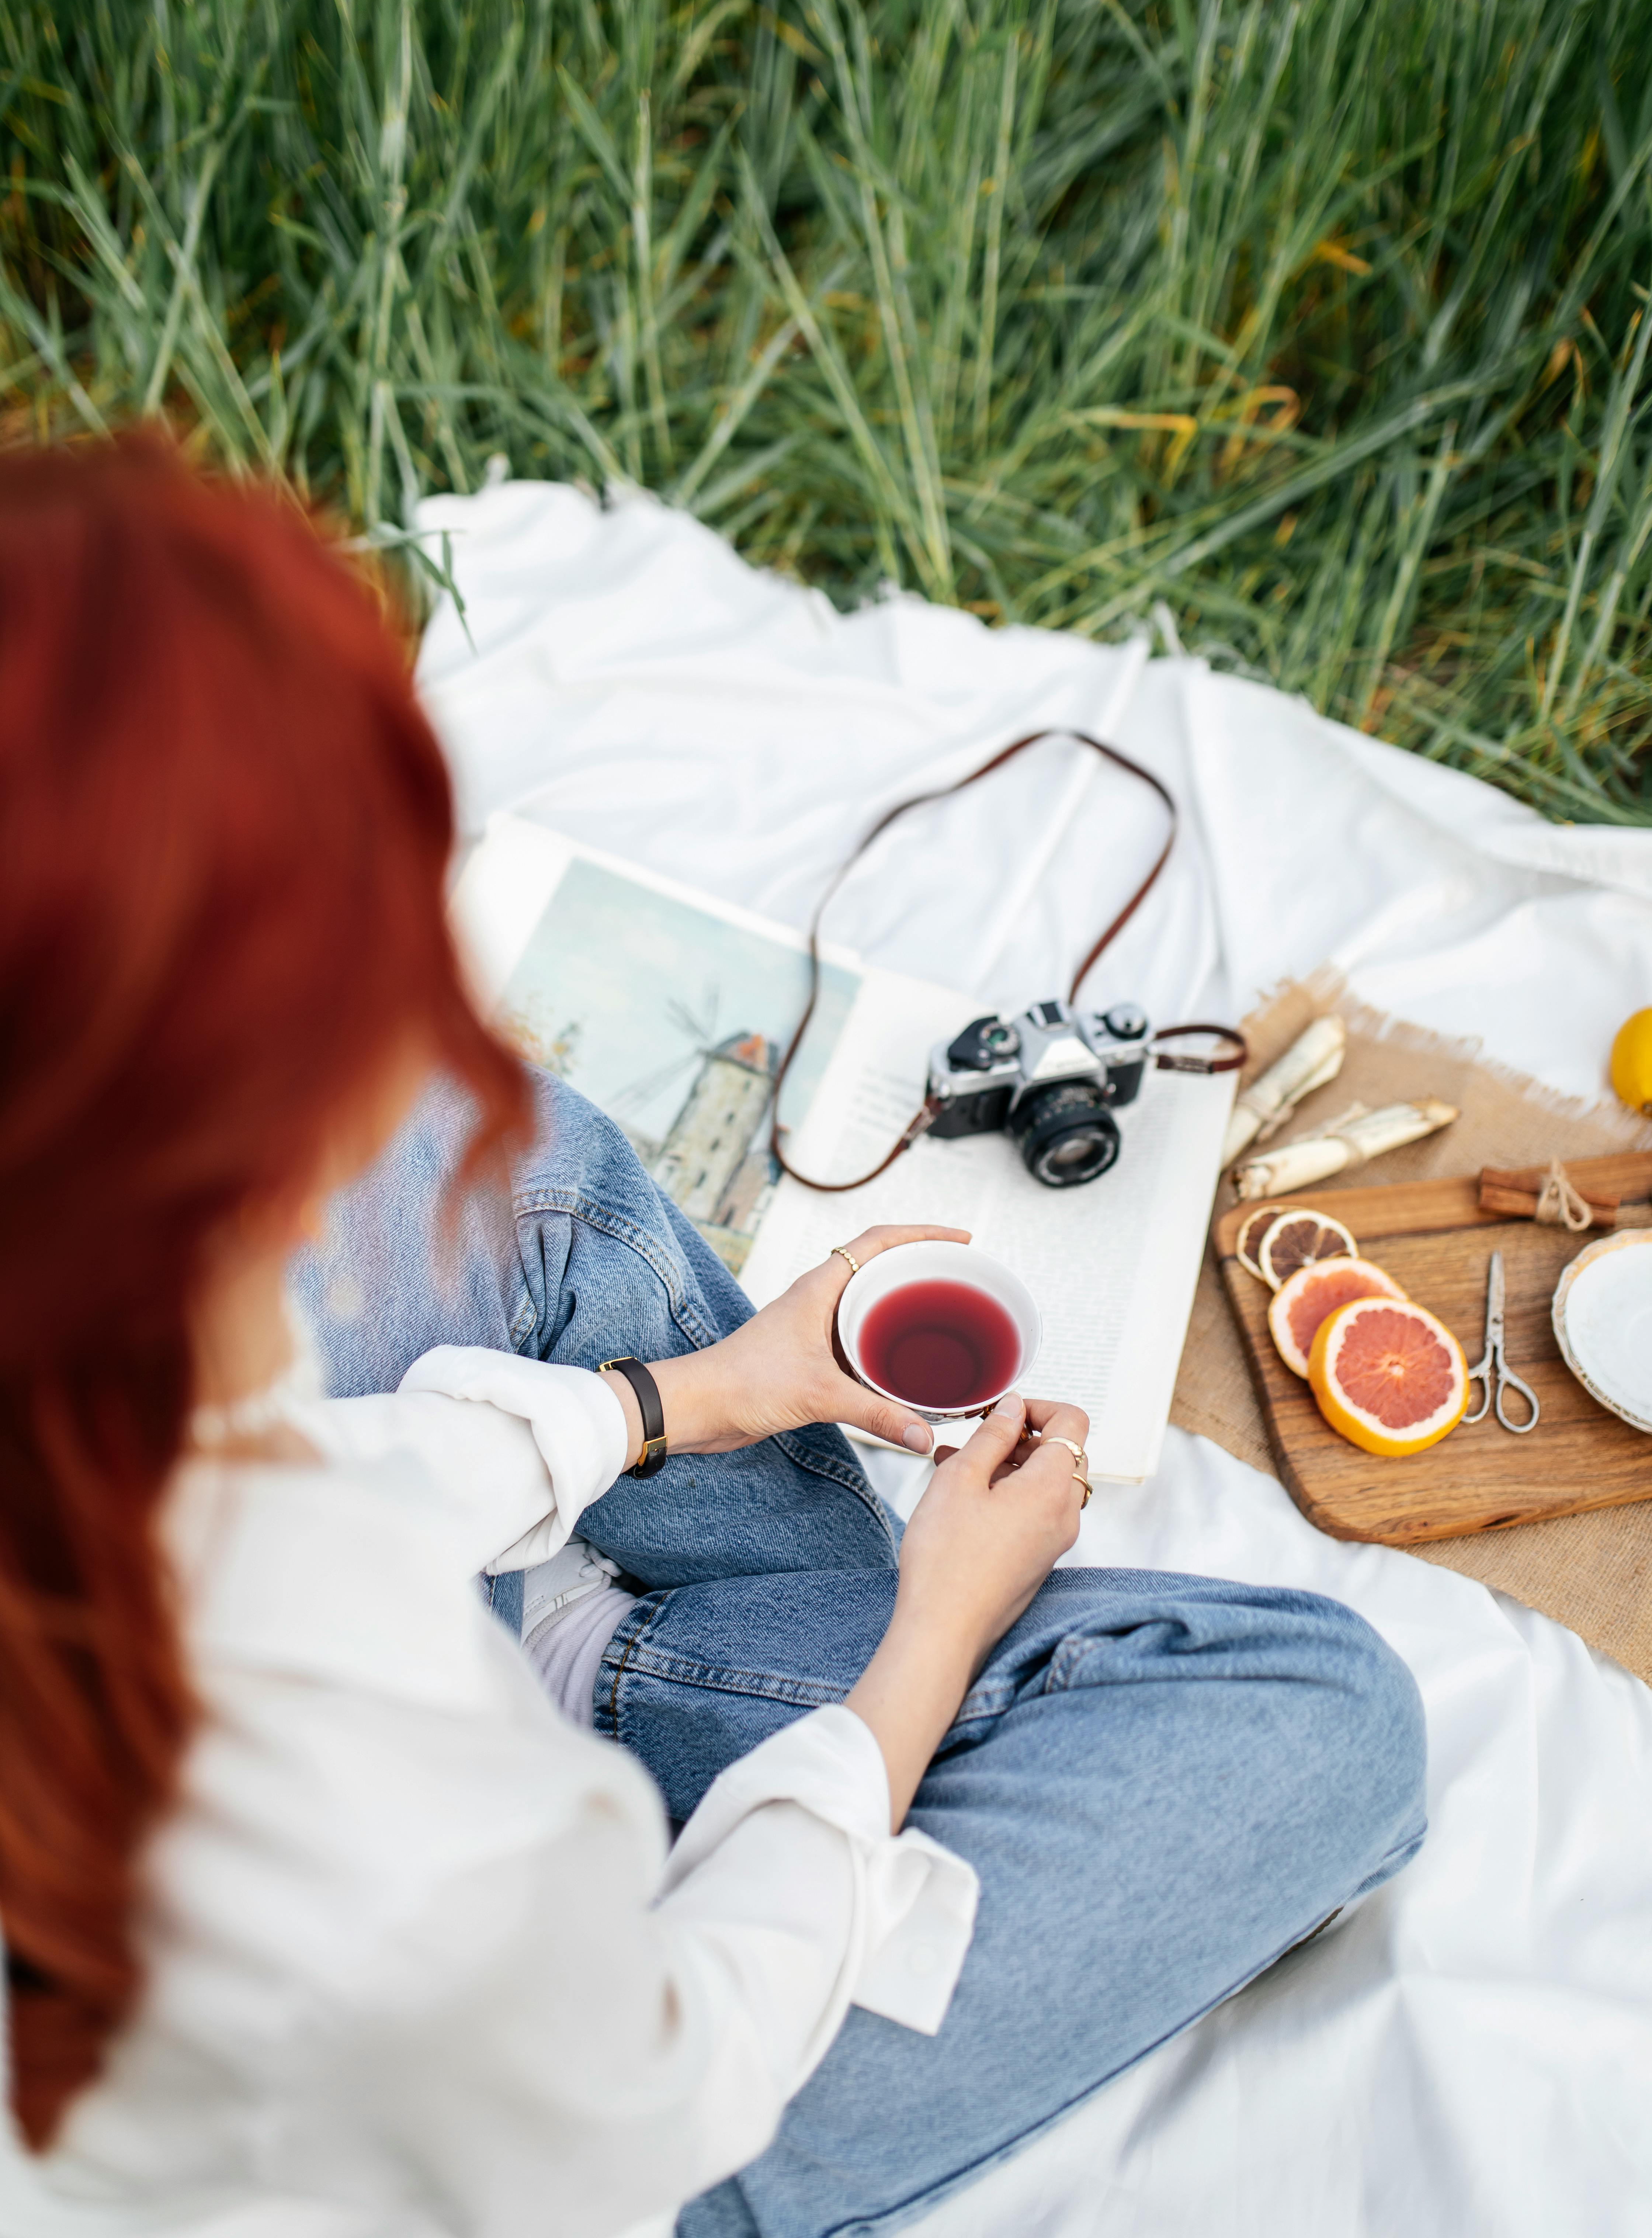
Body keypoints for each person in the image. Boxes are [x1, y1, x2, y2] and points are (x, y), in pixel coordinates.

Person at [0, 436, 1427, 2238]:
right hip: (589, 2132)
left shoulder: (91, 1369)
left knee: (476, 1157)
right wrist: (927, 1647)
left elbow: (251, 1497)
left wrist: (692, 1396)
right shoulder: (356, 1833)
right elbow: (663, 2076)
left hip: (341, 1831)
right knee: (1324, 1717)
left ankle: (643, 1654)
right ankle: (730, 1687)